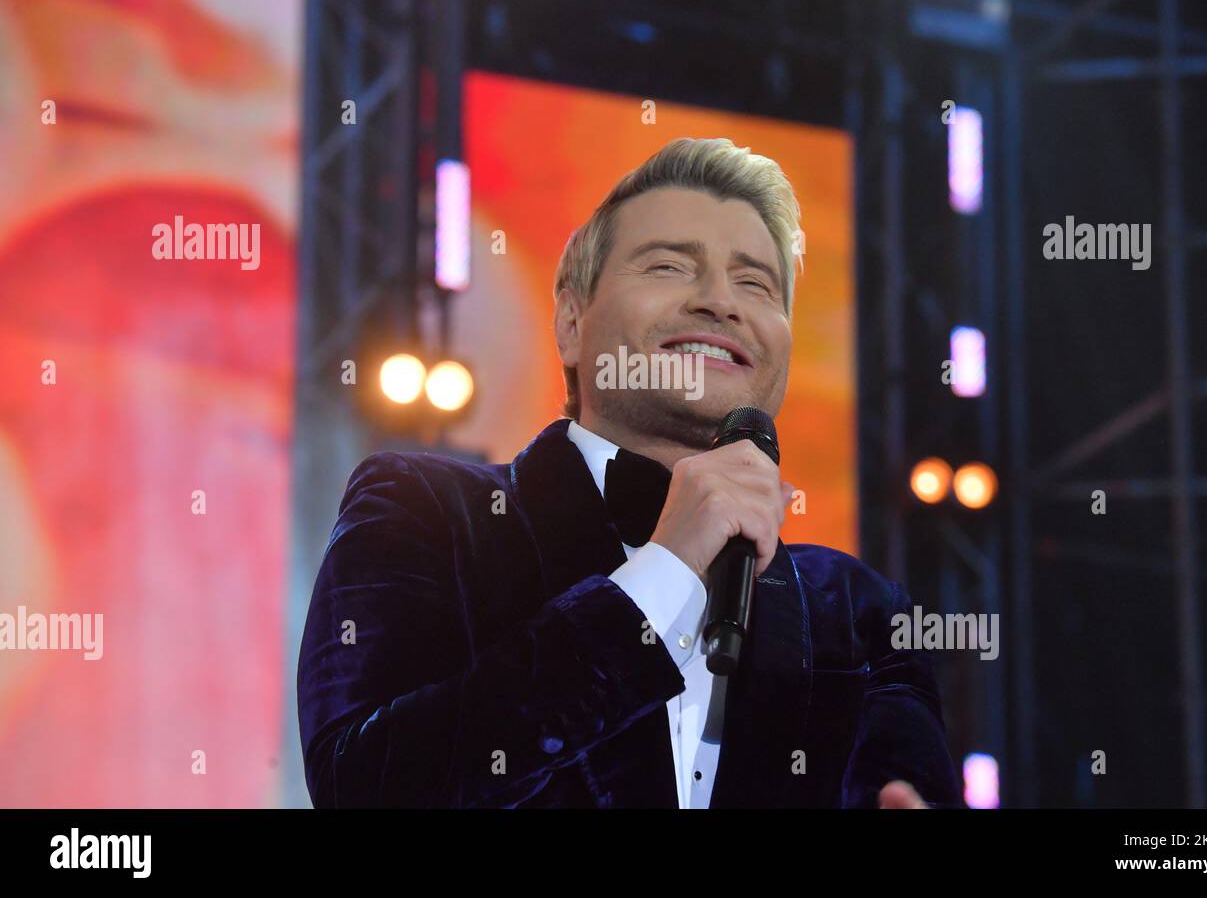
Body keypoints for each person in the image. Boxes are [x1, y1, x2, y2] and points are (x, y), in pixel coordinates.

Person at [296, 137, 960, 808]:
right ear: (571, 325)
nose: (719, 302)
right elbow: (364, 786)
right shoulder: (422, 508)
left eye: (755, 282)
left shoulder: (858, 608)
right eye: (670, 266)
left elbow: (905, 788)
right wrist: (664, 571)